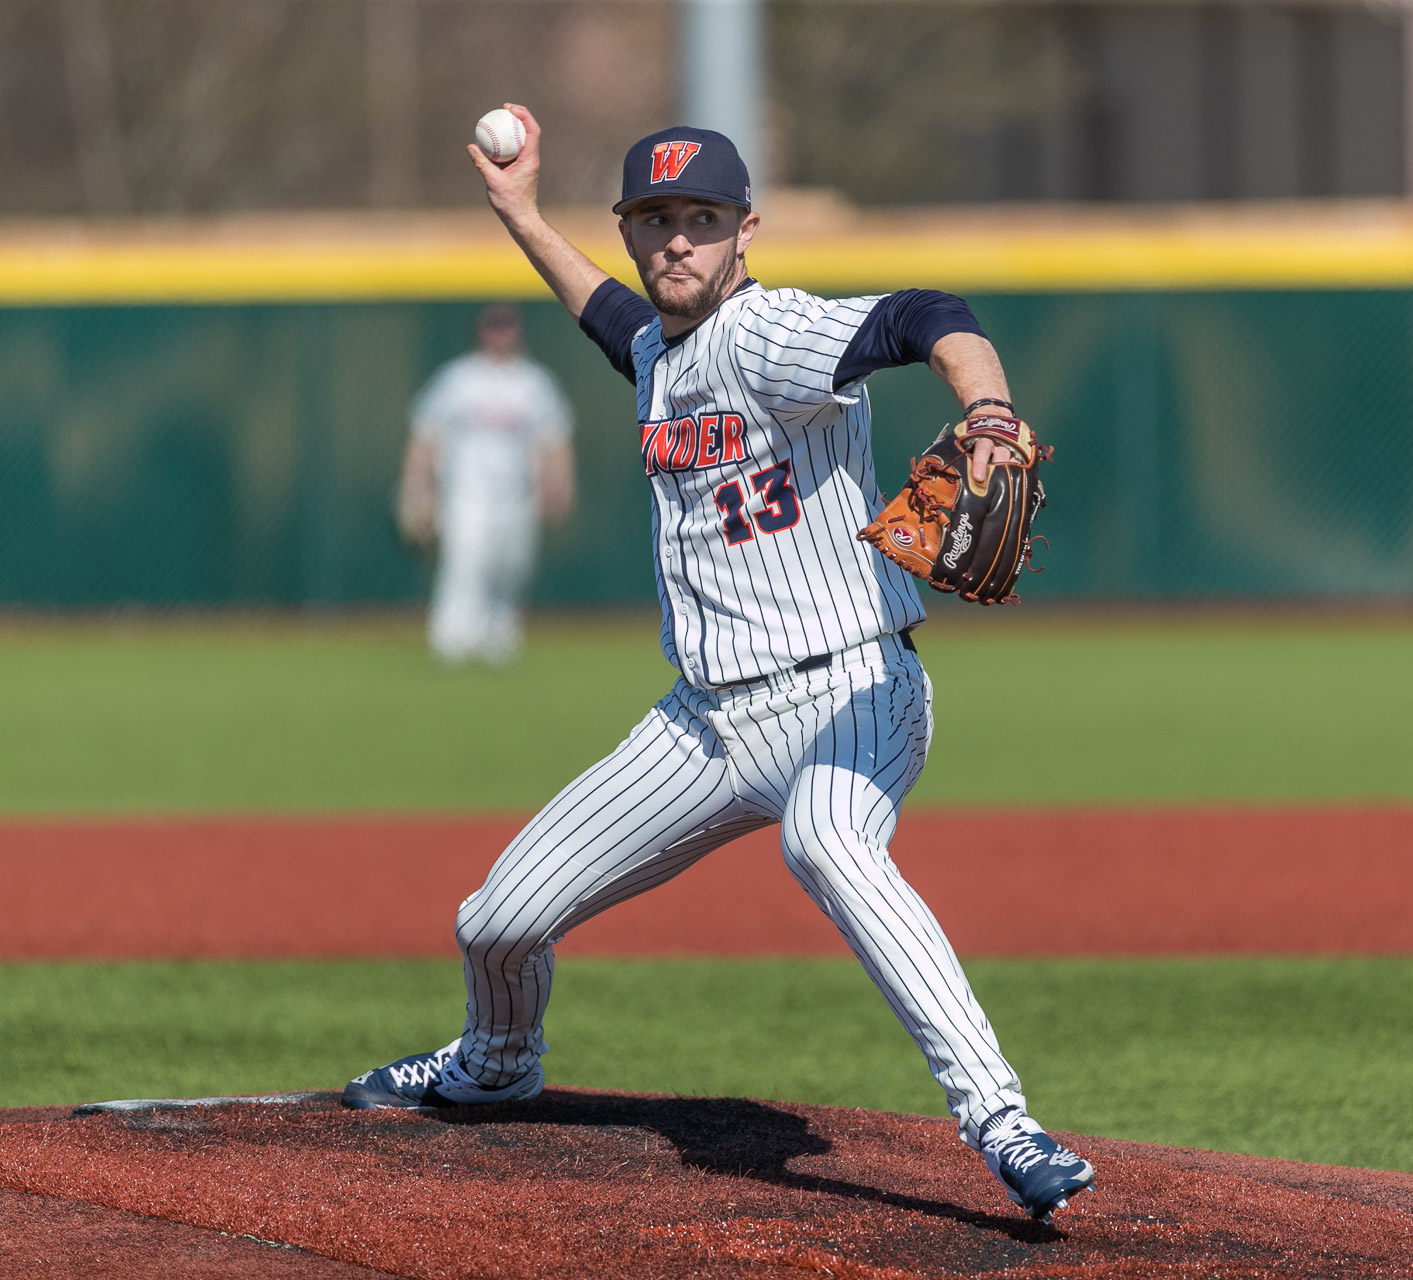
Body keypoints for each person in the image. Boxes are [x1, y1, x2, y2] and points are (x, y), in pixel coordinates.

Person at [345, 108, 1096, 1223]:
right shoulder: (659, 348)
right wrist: (521, 217)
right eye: (655, 221)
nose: (676, 242)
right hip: (704, 724)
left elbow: (927, 313)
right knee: (495, 920)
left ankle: (1002, 1120)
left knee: (827, 841)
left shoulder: (769, 333)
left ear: (746, 231)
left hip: (852, 687)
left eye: (701, 219)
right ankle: (499, 1060)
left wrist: (984, 401)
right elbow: (609, 319)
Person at [397, 303, 576, 665]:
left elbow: (555, 439)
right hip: (465, 494)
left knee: (512, 566)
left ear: (516, 331)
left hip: (517, 496)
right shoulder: (458, 379)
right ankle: (452, 639)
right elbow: (425, 434)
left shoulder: (533, 383)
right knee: (465, 563)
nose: (500, 333)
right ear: (481, 331)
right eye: (494, 327)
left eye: (506, 326)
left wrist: (559, 485)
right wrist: (415, 485)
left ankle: (499, 636)